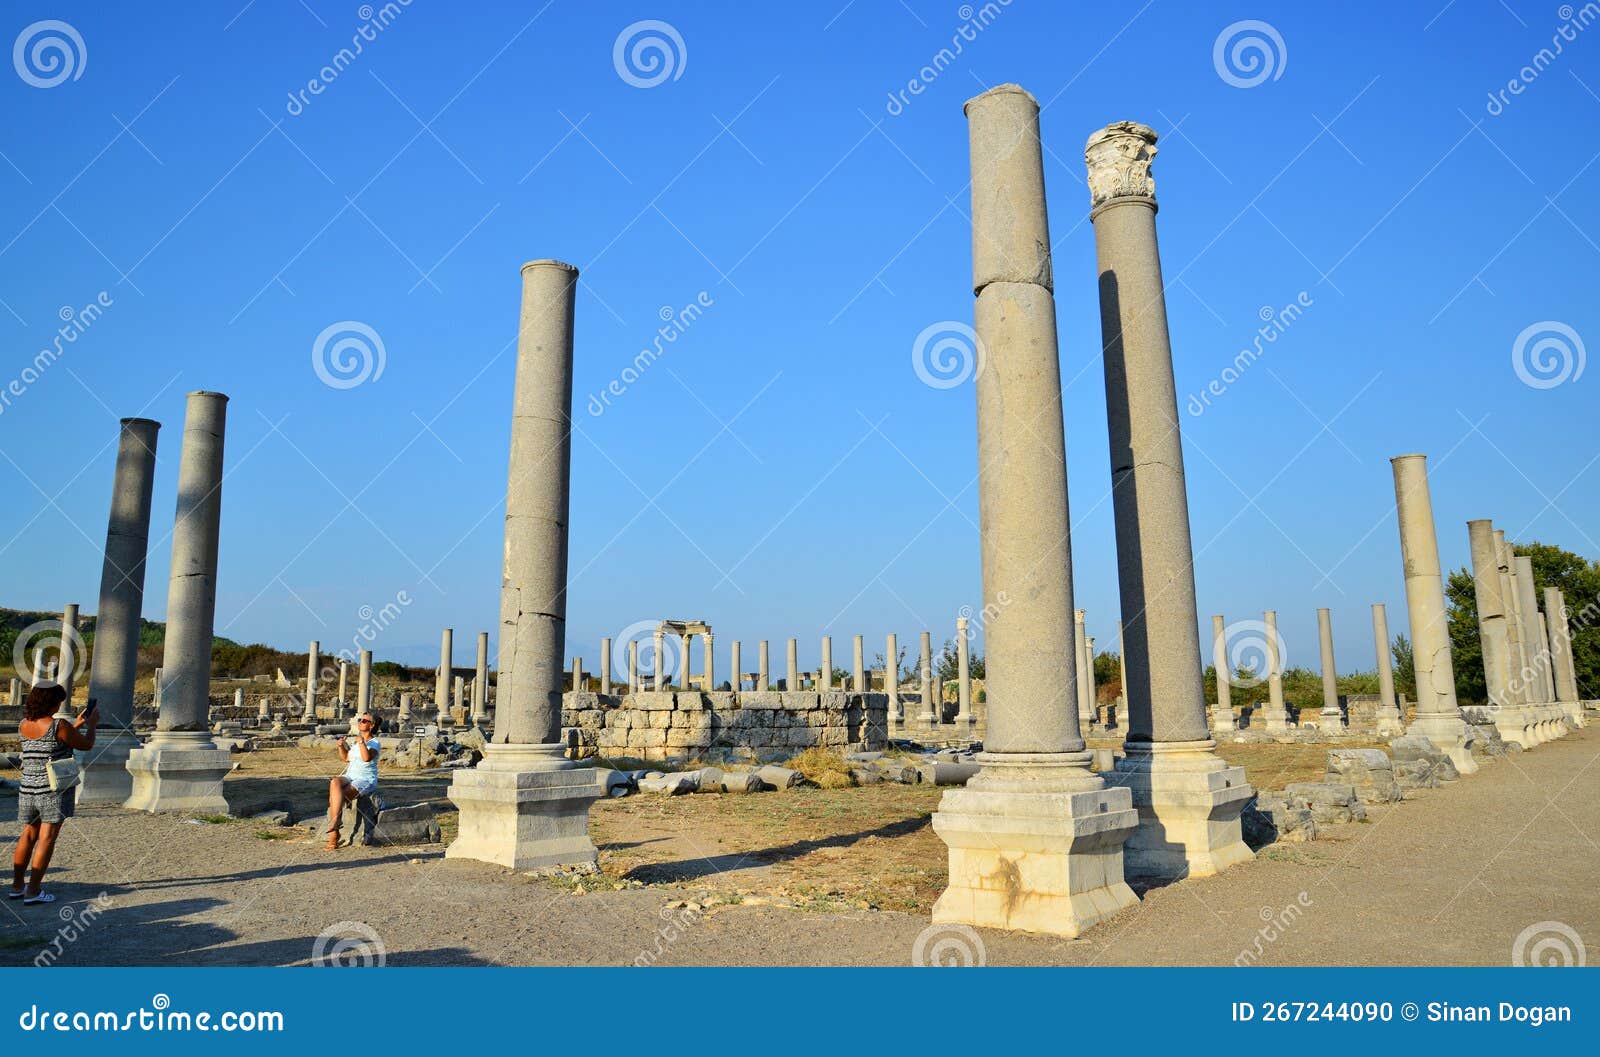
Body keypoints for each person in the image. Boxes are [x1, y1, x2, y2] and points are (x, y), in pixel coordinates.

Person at [11, 683, 97, 905]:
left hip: (27, 787)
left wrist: (76, 724)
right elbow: (86, 745)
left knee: (28, 836)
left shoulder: (23, 724)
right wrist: (92, 725)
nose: (59, 705)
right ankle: (34, 890)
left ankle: (18, 886)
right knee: (46, 839)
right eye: (58, 701)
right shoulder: (58, 725)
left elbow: (51, 742)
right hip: (52, 789)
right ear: (52, 702)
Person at [326, 713, 380, 850]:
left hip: (365, 779)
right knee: (334, 782)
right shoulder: (356, 742)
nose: (361, 722)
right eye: (360, 720)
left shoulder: (375, 743)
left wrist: (361, 742)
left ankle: (334, 834)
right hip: (350, 775)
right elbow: (347, 759)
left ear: (371, 725)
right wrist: (341, 746)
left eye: (364, 720)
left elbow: (366, 758)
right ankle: (336, 822)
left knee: (337, 796)